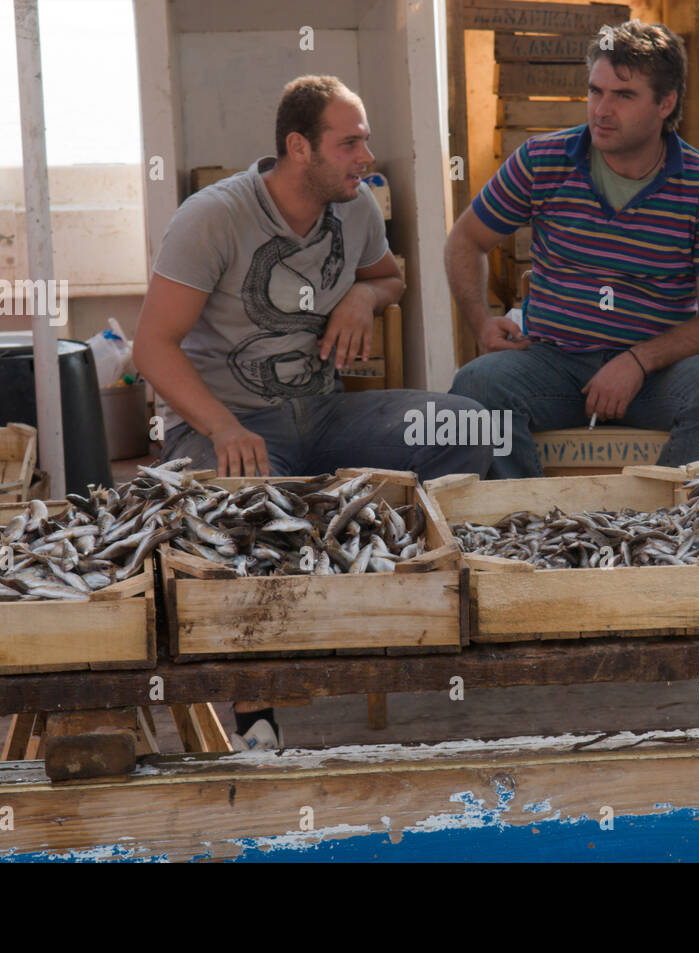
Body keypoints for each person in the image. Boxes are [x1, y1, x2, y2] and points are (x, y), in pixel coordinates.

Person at [133, 75, 492, 750]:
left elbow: (392, 276)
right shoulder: (213, 216)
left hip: (324, 417)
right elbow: (151, 346)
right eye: (350, 141)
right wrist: (222, 426)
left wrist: (363, 298)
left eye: (367, 140)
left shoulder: (355, 209)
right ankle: (256, 713)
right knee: (241, 523)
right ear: (300, 148)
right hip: (226, 424)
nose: (367, 155)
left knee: (467, 426)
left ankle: (382, 616)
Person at [446, 20, 699, 479]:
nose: (601, 110)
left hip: (657, 376)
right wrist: (480, 321)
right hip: (552, 364)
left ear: (665, 103)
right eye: (596, 91)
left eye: (623, 96)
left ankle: (672, 531)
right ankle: (524, 528)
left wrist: (637, 360)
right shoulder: (542, 160)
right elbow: (466, 240)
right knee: (475, 387)